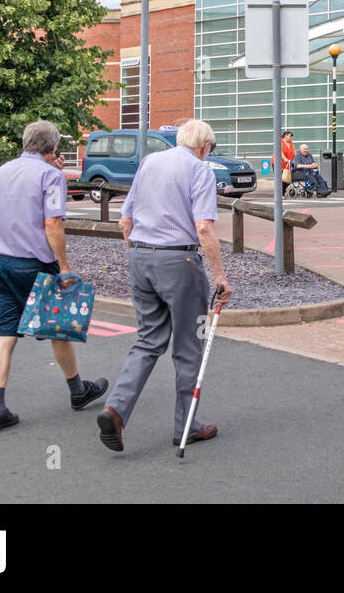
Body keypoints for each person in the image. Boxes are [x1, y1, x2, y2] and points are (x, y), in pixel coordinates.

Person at [97, 119, 231, 453]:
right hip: (179, 262)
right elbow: (203, 228)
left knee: (147, 340)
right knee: (188, 346)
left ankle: (115, 409)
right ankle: (186, 426)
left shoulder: (150, 162)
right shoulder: (199, 170)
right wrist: (220, 276)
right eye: (210, 148)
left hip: (140, 258)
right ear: (204, 145)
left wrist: (137, 254)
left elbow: (124, 220)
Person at [0, 120, 107, 433]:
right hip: (37, 264)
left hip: (4, 261)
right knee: (58, 328)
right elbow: (52, 223)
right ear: (53, 148)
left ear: (27, 143)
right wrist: (64, 268)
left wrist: (49, 166)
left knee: (5, 334)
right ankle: (78, 391)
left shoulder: (4, 170)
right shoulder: (51, 175)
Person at [279, 130, 296, 196]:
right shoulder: (280, 142)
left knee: (288, 179)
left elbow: (294, 152)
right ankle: (281, 194)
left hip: (288, 164)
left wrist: (295, 160)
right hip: (279, 163)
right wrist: (285, 159)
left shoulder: (291, 143)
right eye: (290, 136)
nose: (291, 137)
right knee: (282, 179)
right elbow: (280, 152)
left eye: (291, 136)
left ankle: (282, 192)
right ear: (285, 136)